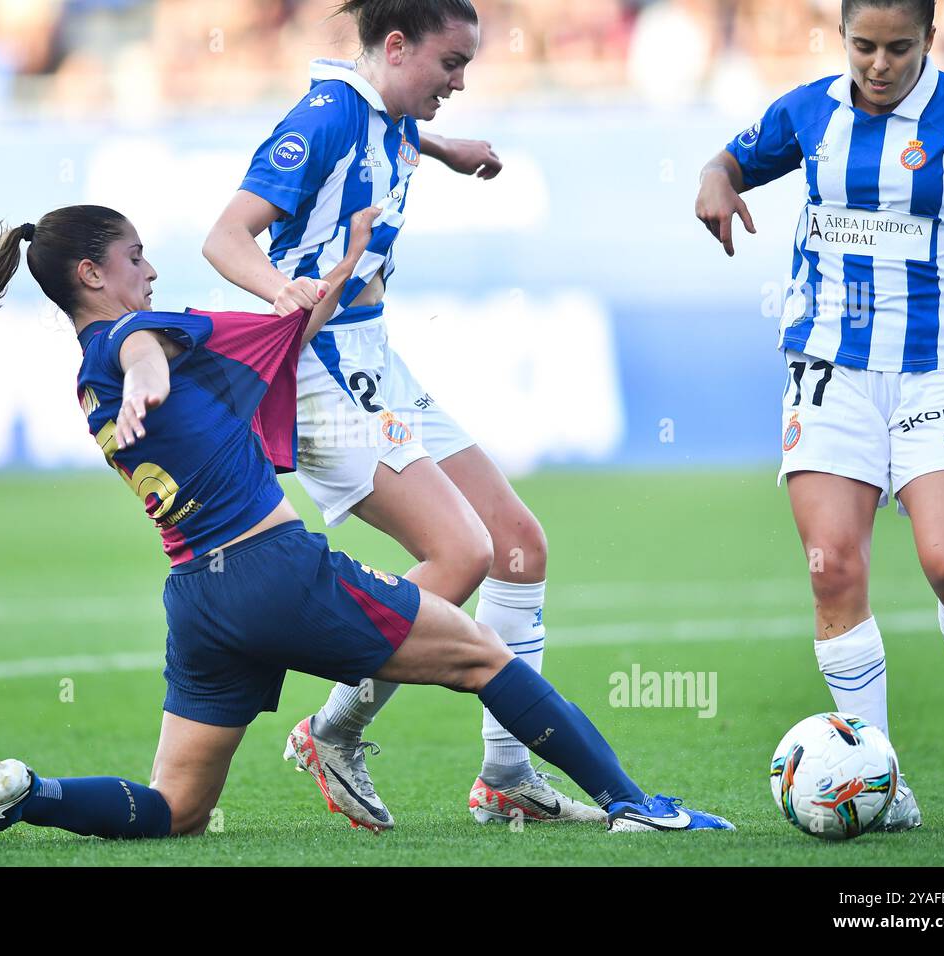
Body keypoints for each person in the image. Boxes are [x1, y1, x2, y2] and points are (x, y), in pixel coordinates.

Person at [0, 202, 733, 846]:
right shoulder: (132, 344)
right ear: (91, 273)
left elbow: (278, 336)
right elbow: (144, 351)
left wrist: (341, 265)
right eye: (135, 258)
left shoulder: (84, 384)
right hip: (276, 573)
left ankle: (30, 794)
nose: (151, 269)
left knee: (177, 808)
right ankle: (634, 807)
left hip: (199, 602)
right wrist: (145, 376)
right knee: (483, 654)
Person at [202, 0, 584, 831]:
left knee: (517, 548)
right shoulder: (326, 114)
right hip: (317, 372)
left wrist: (446, 147)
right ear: (398, 45)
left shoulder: (389, 114)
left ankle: (506, 778)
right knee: (460, 554)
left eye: (468, 67)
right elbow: (225, 237)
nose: (460, 81)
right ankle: (334, 732)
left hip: (377, 359)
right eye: (451, 64)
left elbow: (391, 138)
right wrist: (282, 289)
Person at [694, 0, 944, 826]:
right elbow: (729, 161)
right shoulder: (809, 112)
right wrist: (714, 184)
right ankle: (880, 776)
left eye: (897, 48)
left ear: (928, 41)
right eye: (863, 46)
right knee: (833, 569)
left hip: (932, 370)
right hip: (828, 368)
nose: (878, 64)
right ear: (842, 38)